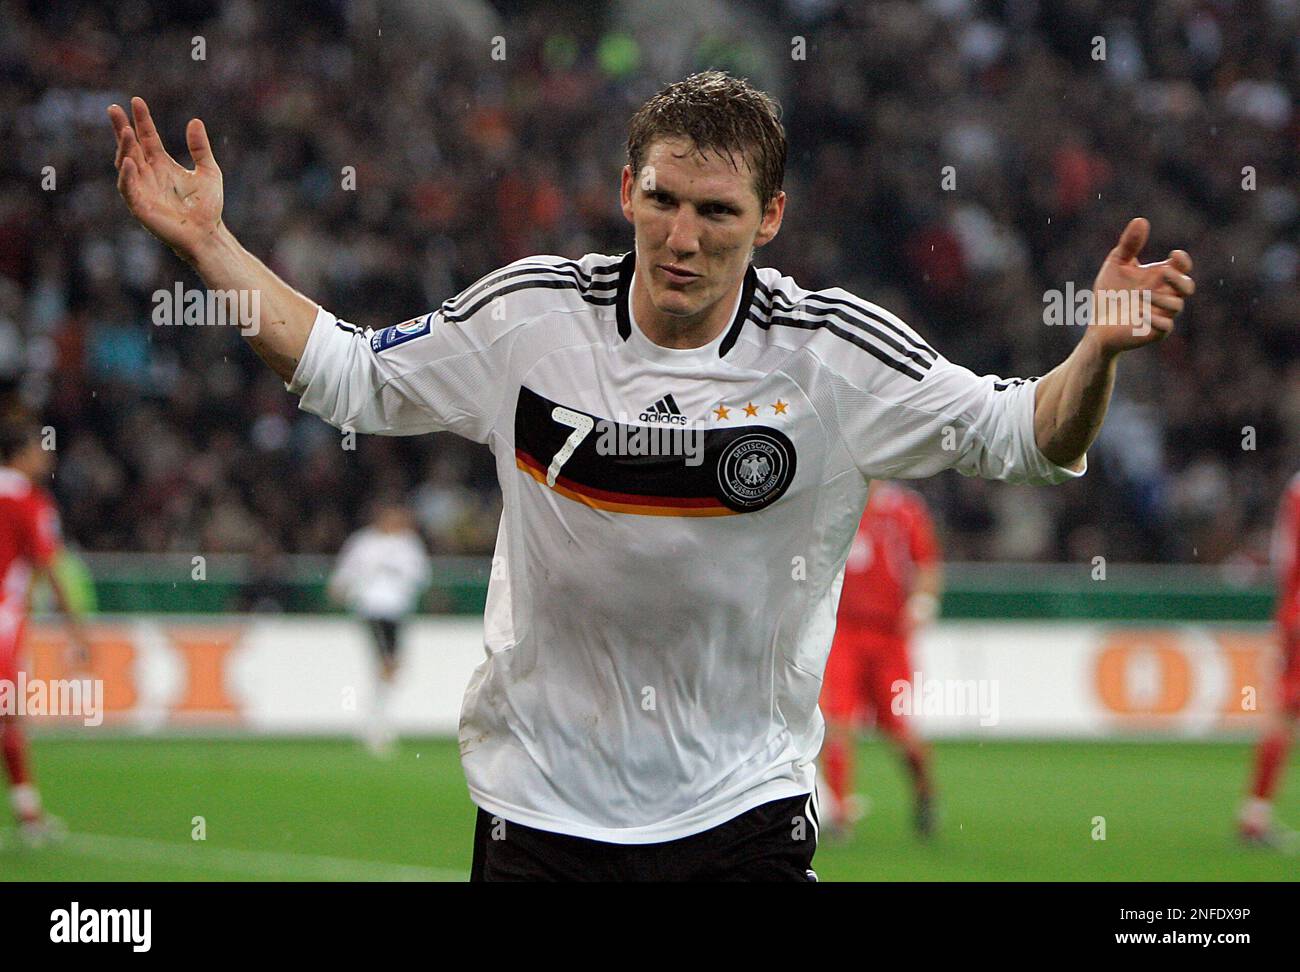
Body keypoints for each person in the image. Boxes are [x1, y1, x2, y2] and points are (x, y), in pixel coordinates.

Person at [108, 71, 1196, 881]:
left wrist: (1091, 353)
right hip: (536, 810)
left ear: (768, 220)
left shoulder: (833, 355)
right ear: (627, 189)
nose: (682, 236)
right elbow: (347, 370)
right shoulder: (528, 317)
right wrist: (212, 248)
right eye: (663, 200)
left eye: (717, 212)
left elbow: (1027, 438)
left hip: (743, 815)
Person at [819, 482, 942, 839]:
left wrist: (922, 605)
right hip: (843, 631)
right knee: (837, 720)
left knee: (898, 727)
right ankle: (838, 814)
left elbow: (926, 564)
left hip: (889, 635)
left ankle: (924, 791)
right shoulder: (832, 500)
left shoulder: (903, 508)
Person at [0, 414, 90, 847]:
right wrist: (76, 628)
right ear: (20, 453)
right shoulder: (30, 502)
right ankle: (29, 814)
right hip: (4, 620)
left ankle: (27, 810)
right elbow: (47, 566)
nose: (46, 454)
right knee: (9, 714)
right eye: (39, 448)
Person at [328, 502, 431, 757]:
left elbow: (421, 576)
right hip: (371, 608)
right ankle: (376, 728)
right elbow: (346, 571)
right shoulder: (363, 542)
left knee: (390, 667)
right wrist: (341, 587)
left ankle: (376, 722)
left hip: (397, 610)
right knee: (386, 664)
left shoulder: (408, 544)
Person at [1238, 471, 1300, 849]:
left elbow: (1284, 559)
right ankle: (1255, 816)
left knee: (1285, 713)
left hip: (1292, 612)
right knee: (1284, 714)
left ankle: (1255, 815)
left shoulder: (1294, 487)